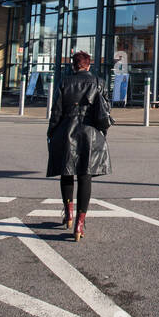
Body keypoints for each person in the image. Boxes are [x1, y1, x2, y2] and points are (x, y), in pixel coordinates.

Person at [46, 50, 113, 241]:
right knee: (85, 176)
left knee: (67, 172)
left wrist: (51, 131)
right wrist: (103, 132)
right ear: (88, 65)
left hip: (67, 130)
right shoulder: (99, 82)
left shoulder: (65, 82)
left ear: (73, 66)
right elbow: (105, 111)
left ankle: (68, 213)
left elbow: (57, 111)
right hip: (90, 133)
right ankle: (80, 223)